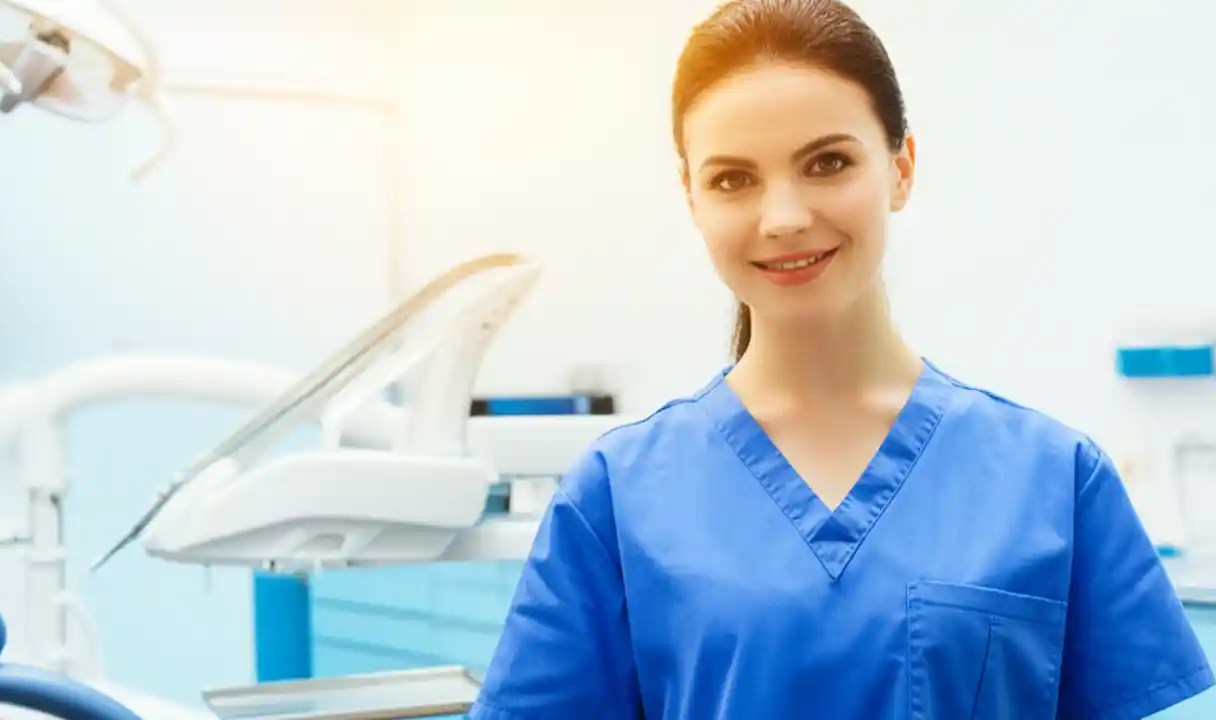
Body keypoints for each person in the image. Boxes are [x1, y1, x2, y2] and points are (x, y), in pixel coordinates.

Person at [466, 0, 1215, 717]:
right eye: (733, 179)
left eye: (826, 163)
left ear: (901, 168)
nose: (785, 217)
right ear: (691, 197)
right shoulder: (617, 498)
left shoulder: (1053, 480)